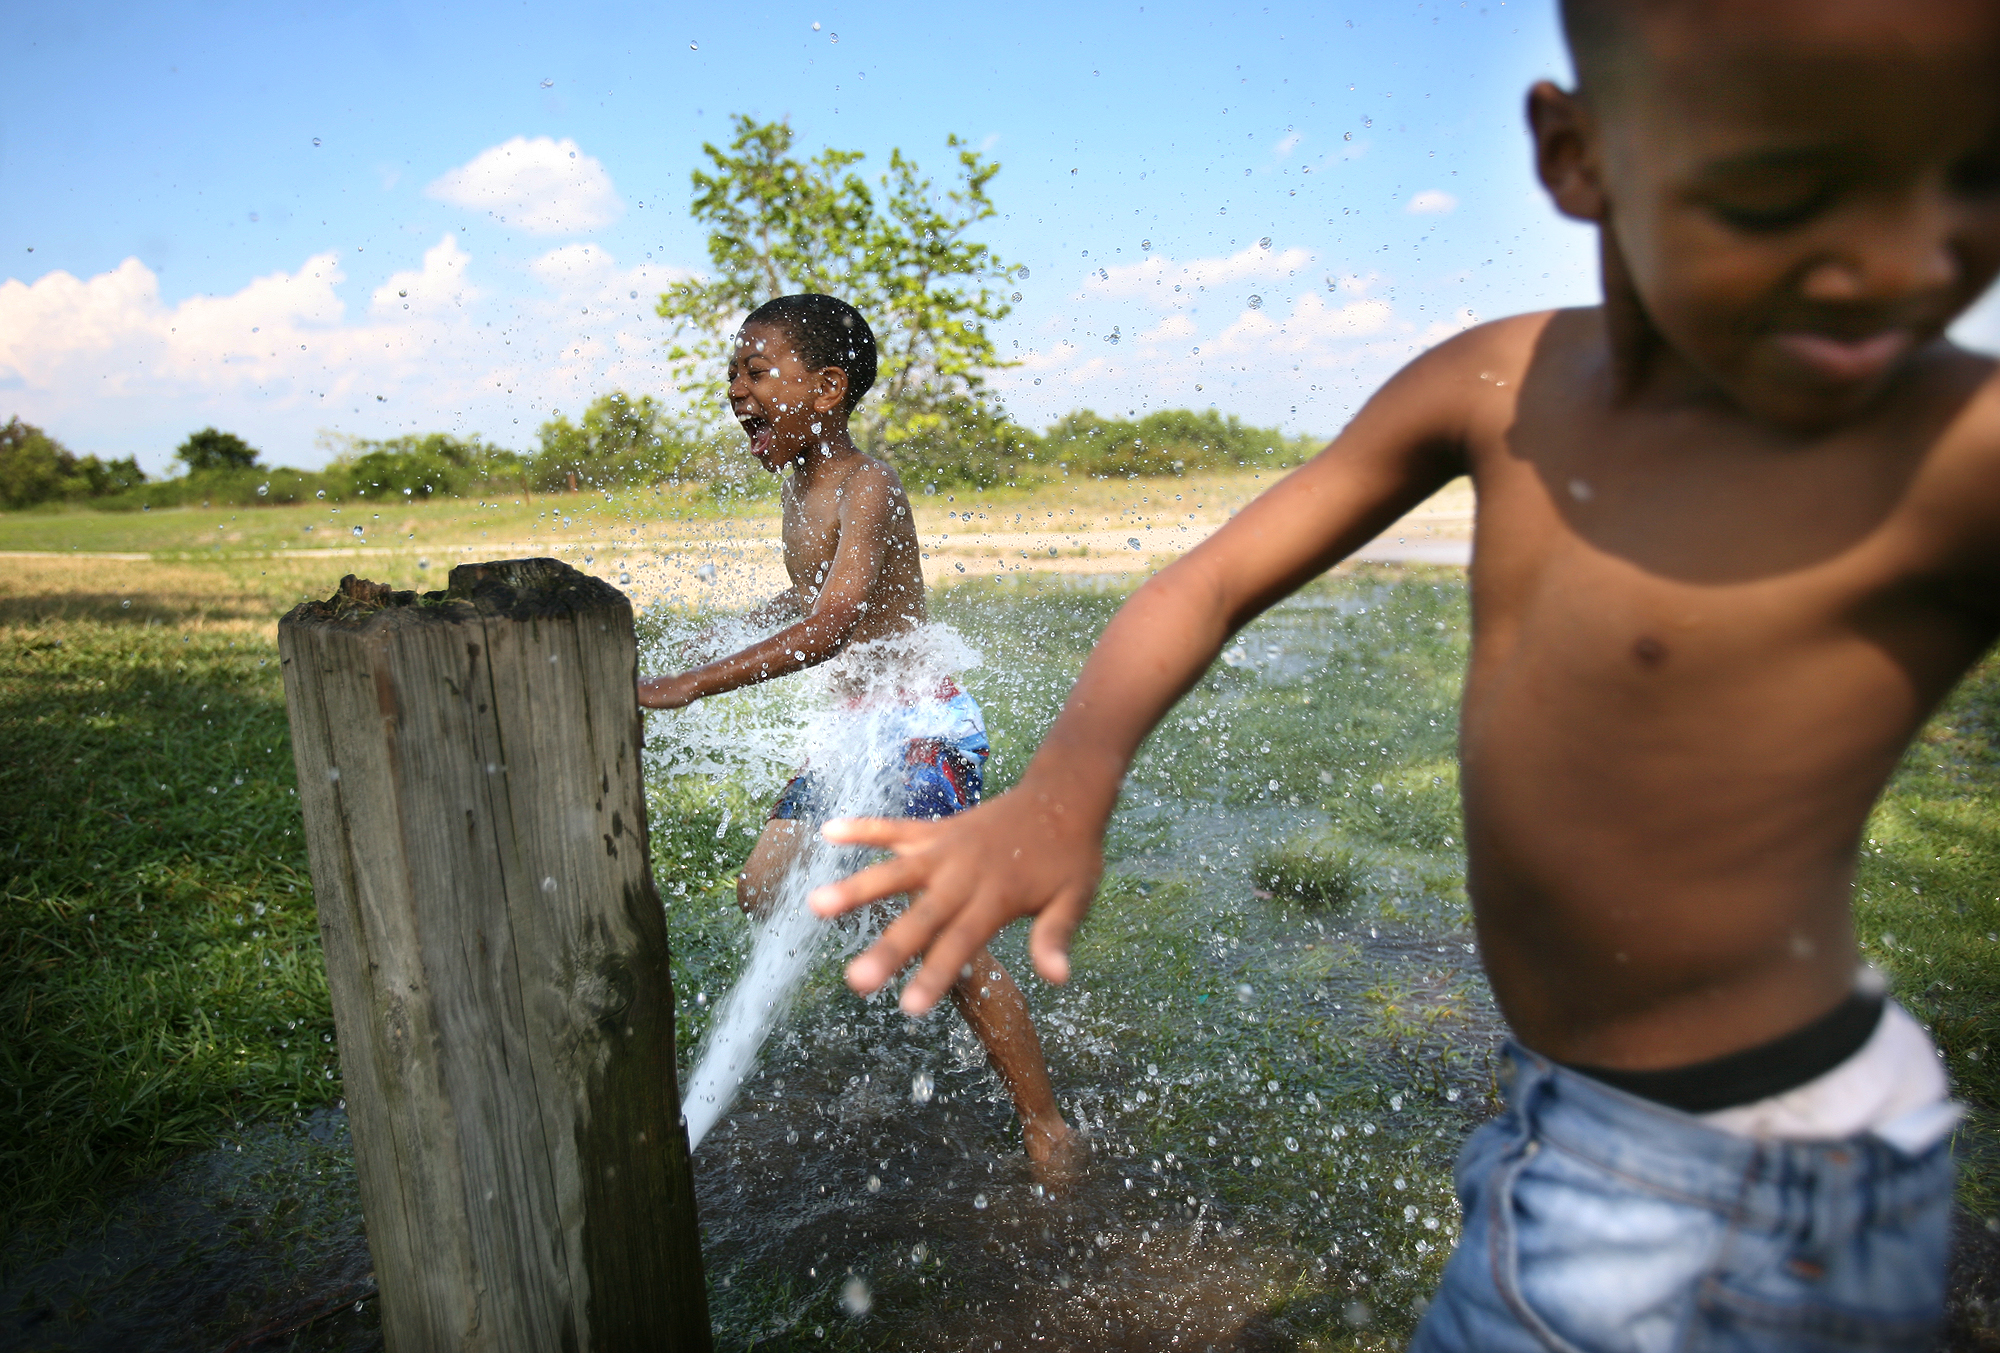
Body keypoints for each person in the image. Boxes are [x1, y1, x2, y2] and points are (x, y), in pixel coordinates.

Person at [807, 1, 2000, 1343]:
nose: (1912, 258)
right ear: (1577, 153)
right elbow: (1208, 581)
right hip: (1596, 1114)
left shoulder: (1950, 450)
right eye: (1792, 185)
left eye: (1979, 174)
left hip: (1722, 1167)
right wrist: (1064, 784)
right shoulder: (1500, 384)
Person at [637, 293, 1075, 1167]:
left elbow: (835, 624)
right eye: (733, 372)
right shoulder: (799, 490)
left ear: (828, 387)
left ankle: (1045, 1123)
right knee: (764, 888)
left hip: (919, 724)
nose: (736, 390)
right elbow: (806, 600)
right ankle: (910, 957)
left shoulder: (867, 483)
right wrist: (710, 636)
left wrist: (694, 683)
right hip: (853, 728)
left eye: (757, 371)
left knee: (942, 918)